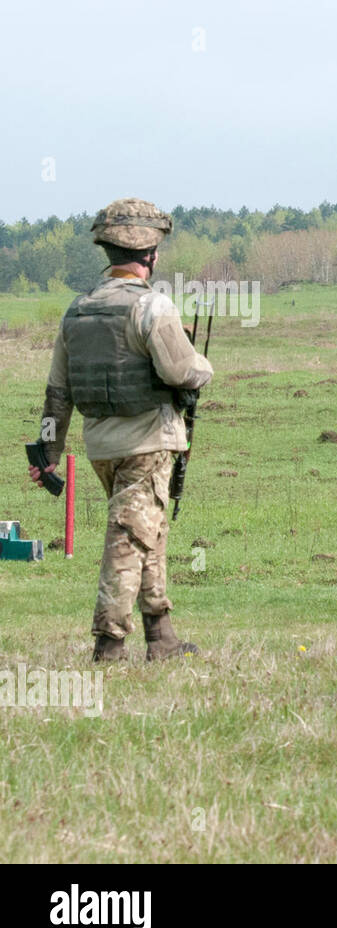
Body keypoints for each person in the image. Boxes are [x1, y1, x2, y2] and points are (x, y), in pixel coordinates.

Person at [29, 198, 213, 662]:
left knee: (145, 529)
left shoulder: (78, 311)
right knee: (128, 536)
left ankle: (162, 636)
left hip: (101, 446)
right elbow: (180, 371)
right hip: (148, 439)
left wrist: (49, 452)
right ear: (149, 255)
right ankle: (108, 646)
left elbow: (58, 392)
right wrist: (203, 367)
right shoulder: (153, 307)